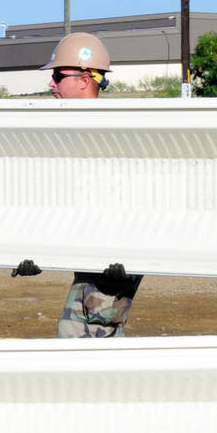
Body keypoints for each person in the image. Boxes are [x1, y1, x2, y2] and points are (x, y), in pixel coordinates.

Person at [42, 32, 143, 338]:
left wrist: (123, 251)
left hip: (113, 252)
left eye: (58, 76)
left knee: (80, 336)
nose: (51, 84)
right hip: (94, 248)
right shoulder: (77, 130)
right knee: (91, 338)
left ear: (85, 80)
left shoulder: (112, 131)